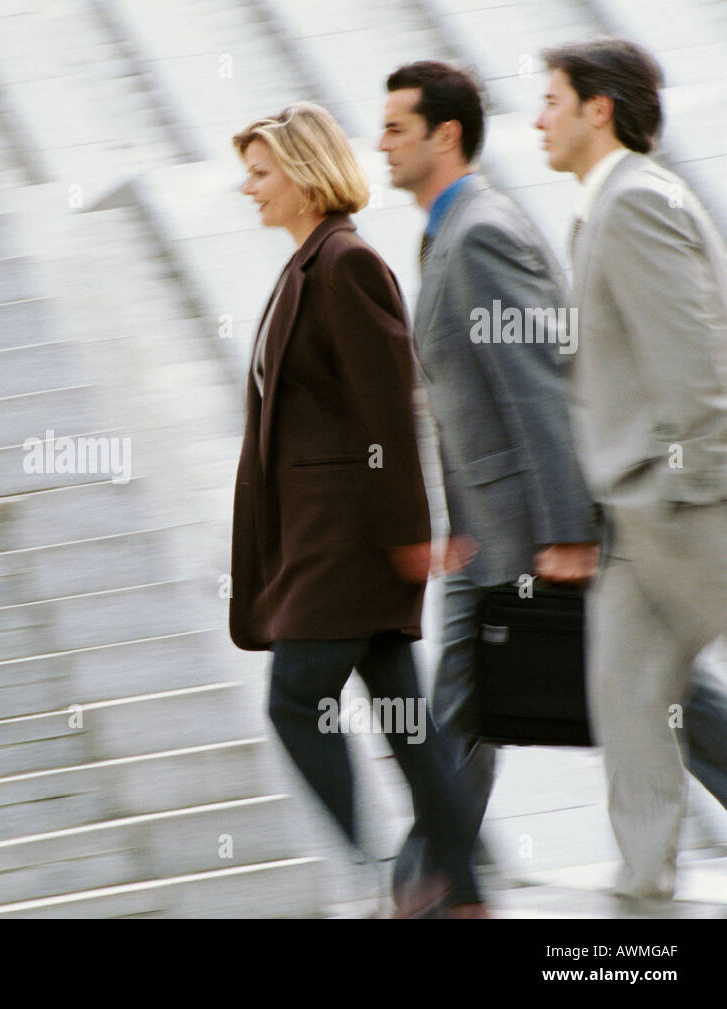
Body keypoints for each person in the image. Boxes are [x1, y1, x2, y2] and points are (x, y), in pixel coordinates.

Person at [228, 102, 486, 917]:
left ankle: (370, 873)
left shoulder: (345, 263)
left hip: (347, 546)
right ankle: (466, 893)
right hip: (330, 542)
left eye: (261, 172)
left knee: (294, 699)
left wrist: (413, 535)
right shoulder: (307, 263)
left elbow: (389, 412)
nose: (249, 188)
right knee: (410, 727)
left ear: (305, 175)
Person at [376, 61, 600, 907]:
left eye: (397, 126)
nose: (381, 142)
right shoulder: (445, 233)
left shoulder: (479, 233)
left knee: (655, 691)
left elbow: (538, 383)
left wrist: (568, 529)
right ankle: (430, 885)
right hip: (487, 537)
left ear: (446, 135)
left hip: (528, 534)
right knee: (464, 720)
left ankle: (425, 885)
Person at [536, 38, 727, 903]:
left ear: (597, 108)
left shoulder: (638, 202)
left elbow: (696, 365)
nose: (538, 119)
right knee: (629, 698)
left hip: (682, 502)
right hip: (637, 513)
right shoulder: (608, 204)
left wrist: (690, 483)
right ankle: (645, 891)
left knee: (641, 693)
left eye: (551, 100)